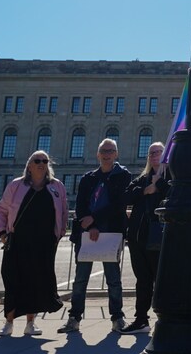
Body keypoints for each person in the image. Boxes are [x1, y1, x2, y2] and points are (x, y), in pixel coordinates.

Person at [58, 138, 132, 334]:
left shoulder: (123, 176)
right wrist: (89, 224)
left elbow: (119, 205)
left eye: (111, 151)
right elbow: (80, 204)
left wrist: (94, 221)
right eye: (104, 151)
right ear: (98, 154)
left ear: (116, 154)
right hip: (86, 234)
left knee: (113, 279)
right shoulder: (88, 178)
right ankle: (74, 318)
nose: (107, 154)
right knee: (80, 279)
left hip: (110, 234)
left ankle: (117, 318)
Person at [0, 150, 68, 336]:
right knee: (12, 281)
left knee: (35, 282)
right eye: (37, 161)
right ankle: (8, 323)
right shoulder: (16, 185)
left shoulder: (56, 186)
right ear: (29, 165)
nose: (41, 164)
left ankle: (30, 323)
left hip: (43, 243)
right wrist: (2, 234)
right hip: (18, 241)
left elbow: (64, 211)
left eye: (45, 161)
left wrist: (59, 234)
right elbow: (2, 210)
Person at [120, 141, 170, 334]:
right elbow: (125, 197)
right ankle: (141, 319)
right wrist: (145, 190)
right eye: (151, 153)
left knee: (161, 280)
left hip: (160, 237)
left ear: (165, 155)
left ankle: (166, 320)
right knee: (142, 280)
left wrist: (160, 184)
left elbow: (176, 196)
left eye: (158, 152)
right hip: (138, 237)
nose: (154, 155)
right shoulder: (142, 179)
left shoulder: (172, 177)